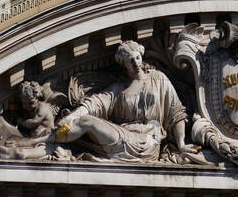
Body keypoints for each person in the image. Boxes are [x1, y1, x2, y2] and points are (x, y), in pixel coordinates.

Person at [56, 40, 188, 162]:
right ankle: (51, 138)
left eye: (137, 58)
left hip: (148, 141)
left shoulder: (158, 79)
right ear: (123, 63)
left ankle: (51, 139)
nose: (136, 63)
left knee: (87, 123)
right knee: (86, 121)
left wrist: (181, 144)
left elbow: (176, 113)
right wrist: (72, 116)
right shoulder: (119, 88)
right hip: (122, 137)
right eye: (131, 60)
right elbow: (95, 104)